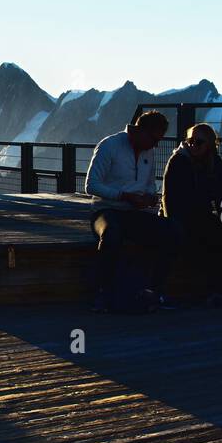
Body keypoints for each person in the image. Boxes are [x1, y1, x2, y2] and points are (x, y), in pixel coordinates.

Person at [86, 108, 180, 313]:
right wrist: (123, 196)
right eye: (154, 139)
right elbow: (91, 185)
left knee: (172, 230)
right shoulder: (109, 145)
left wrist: (149, 196)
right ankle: (102, 293)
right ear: (140, 132)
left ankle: (154, 291)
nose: (156, 145)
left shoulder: (149, 151)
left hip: (133, 212)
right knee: (111, 234)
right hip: (105, 211)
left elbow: (148, 184)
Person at [163, 122, 222, 307]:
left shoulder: (216, 163)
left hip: (201, 214)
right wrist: (174, 222)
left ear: (210, 145)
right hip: (179, 215)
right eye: (190, 140)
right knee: (203, 236)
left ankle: (221, 289)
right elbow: (168, 198)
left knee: (221, 233)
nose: (193, 145)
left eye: (199, 142)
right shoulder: (178, 161)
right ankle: (216, 290)